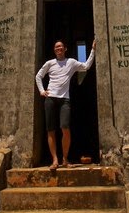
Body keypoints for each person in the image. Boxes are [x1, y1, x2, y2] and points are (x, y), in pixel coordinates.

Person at [35, 38, 96, 170]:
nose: (59, 49)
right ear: (54, 50)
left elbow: (86, 66)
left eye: (61, 46)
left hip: (64, 99)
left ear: (65, 49)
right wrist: (41, 91)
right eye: (56, 47)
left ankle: (65, 159)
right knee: (50, 130)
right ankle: (55, 160)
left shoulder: (71, 62)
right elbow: (39, 76)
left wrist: (93, 50)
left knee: (65, 128)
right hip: (50, 98)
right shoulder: (50, 63)